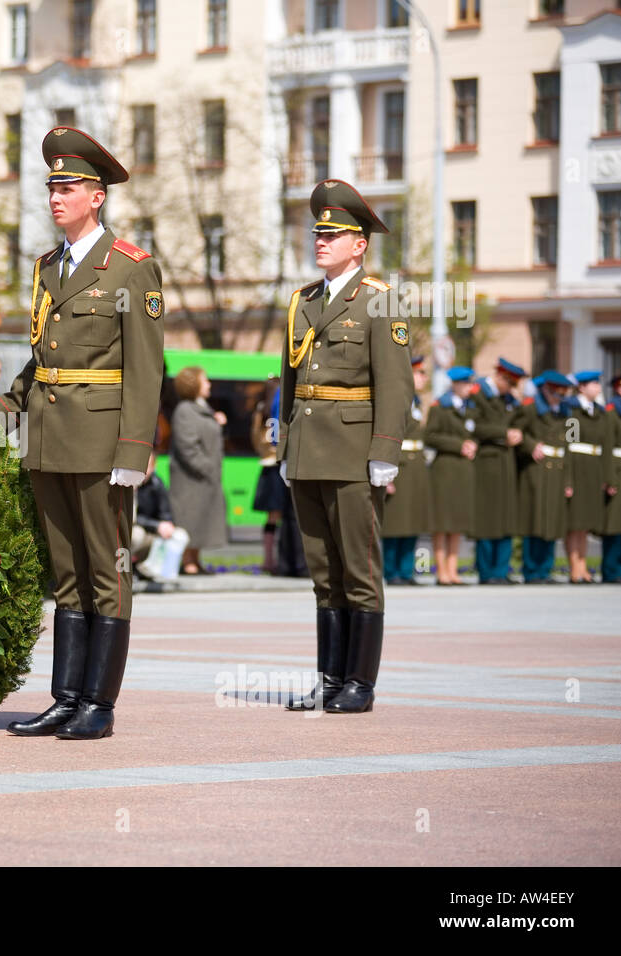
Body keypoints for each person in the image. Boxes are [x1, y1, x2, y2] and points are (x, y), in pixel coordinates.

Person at [0, 126, 164, 740]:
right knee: (65, 573)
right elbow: (41, 358)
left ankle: (100, 704)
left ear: (97, 196)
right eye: (52, 187)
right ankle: (66, 698)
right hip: (49, 437)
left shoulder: (131, 269)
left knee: (107, 570)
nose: (56, 196)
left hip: (100, 442)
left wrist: (134, 449)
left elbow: (146, 369)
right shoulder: (47, 268)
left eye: (68, 186)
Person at [279, 179, 412, 714]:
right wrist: (285, 445)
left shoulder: (380, 300)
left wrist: (385, 451)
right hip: (308, 449)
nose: (322, 241)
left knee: (358, 570)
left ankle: (360, 682)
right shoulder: (302, 301)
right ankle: (329, 678)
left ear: (359, 244)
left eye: (334, 235)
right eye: (318, 234)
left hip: (355, 450)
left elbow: (396, 383)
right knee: (322, 572)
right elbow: (286, 381)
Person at [514, 371, 573, 584]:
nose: (559, 397)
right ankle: (531, 570)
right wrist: (531, 446)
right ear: (546, 390)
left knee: (552, 523)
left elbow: (569, 446)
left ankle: (546, 569)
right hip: (537, 470)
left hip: (557, 470)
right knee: (535, 520)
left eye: (562, 393)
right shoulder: (530, 408)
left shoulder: (566, 412)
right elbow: (516, 434)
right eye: (555, 393)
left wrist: (568, 481)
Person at [169, 366, 228, 575]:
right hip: (190, 479)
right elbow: (188, 447)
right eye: (205, 380)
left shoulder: (202, 408)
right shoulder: (185, 411)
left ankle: (196, 559)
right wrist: (208, 468)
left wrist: (216, 420)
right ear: (193, 384)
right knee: (189, 518)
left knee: (200, 519)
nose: (209, 384)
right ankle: (187, 561)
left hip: (203, 478)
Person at [471, 358, 526, 584]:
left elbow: (522, 421)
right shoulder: (478, 395)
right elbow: (476, 426)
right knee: (487, 518)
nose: (512, 389)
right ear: (501, 377)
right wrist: (504, 432)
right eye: (510, 383)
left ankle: (501, 570)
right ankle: (487, 571)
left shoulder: (510, 399)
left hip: (506, 462)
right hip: (487, 463)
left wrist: (517, 433)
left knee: (506, 517)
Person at [424, 367, 477, 586]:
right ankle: (441, 570)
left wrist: (474, 444)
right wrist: (458, 445)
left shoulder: (469, 408)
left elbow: (476, 432)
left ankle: (453, 569)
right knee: (442, 523)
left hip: (463, 470)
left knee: (456, 522)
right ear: (454, 384)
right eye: (464, 384)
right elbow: (430, 436)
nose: (468, 388)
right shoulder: (440, 407)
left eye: (469, 384)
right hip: (445, 470)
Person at [382, 356, 431, 585]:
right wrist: (387, 469)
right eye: (420, 373)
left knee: (411, 521)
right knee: (394, 522)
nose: (424, 378)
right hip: (399, 465)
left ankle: (406, 570)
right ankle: (391, 571)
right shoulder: (396, 397)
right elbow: (388, 434)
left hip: (414, 467)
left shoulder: (416, 400)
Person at [563, 371, 611, 584]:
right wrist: (569, 479)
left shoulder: (599, 412)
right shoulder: (572, 411)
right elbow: (570, 444)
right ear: (581, 387)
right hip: (578, 467)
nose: (597, 388)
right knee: (575, 521)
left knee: (585, 523)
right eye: (593, 384)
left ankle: (583, 566)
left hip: (593, 467)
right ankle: (575, 567)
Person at [133, 451, 189, 585]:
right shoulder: (128, 484)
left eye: (147, 467)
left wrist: (166, 525)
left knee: (181, 535)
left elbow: (165, 513)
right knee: (137, 535)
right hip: (136, 529)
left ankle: (151, 569)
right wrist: (156, 525)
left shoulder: (157, 484)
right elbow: (131, 518)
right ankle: (128, 568)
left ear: (154, 467)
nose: (144, 471)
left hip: (152, 531)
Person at [251, 378, 286, 574]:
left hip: (266, 464)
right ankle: (276, 559)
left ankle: (268, 558)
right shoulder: (280, 407)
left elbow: (254, 437)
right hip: (278, 465)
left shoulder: (260, 411)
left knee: (271, 516)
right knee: (284, 515)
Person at [603, 373, 621, 583]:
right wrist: (610, 478)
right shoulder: (612, 412)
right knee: (615, 525)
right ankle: (612, 571)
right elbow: (607, 445)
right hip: (618, 470)